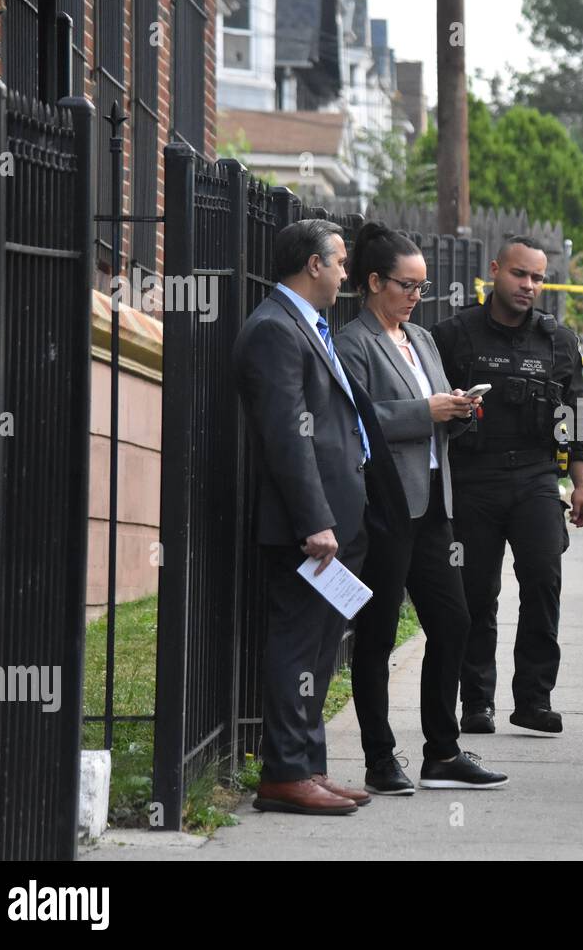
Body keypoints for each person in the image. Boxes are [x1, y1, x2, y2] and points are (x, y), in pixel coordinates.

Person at [335, 222, 508, 792]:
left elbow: (431, 414)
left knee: (453, 621)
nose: (415, 297)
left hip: (434, 500)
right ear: (374, 282)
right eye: (407, 286)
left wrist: (457, 411)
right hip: (384, 506)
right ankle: (380, 758)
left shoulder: (424, 341)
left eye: (423, 287)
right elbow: (354, 422)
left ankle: (442, 750)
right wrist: (424, 413)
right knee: (378, 634)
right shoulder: (352, 342)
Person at [231, 219, 378, 815]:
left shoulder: (307, 325)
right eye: (340, 262)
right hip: (307, 529)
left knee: (320, 649)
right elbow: (288, 436)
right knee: (297, 646)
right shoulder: (274, 329)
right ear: (313, 265)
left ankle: (309, 764)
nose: (346, 273)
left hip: (338, 520)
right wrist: (315, 520)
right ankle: (286, 773)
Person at [431, 235, 583, 735]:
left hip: (535, 476)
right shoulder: (453, 335)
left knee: (544, 583)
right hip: (473, 476)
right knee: (477, 593)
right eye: (520, 274)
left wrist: (582, 484)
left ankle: (533, 700)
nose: (529, 285)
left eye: (538, 278)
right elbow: (429, 409)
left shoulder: (557, 341)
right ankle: (476, 703)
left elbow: (574, 417)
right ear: (495, 271)